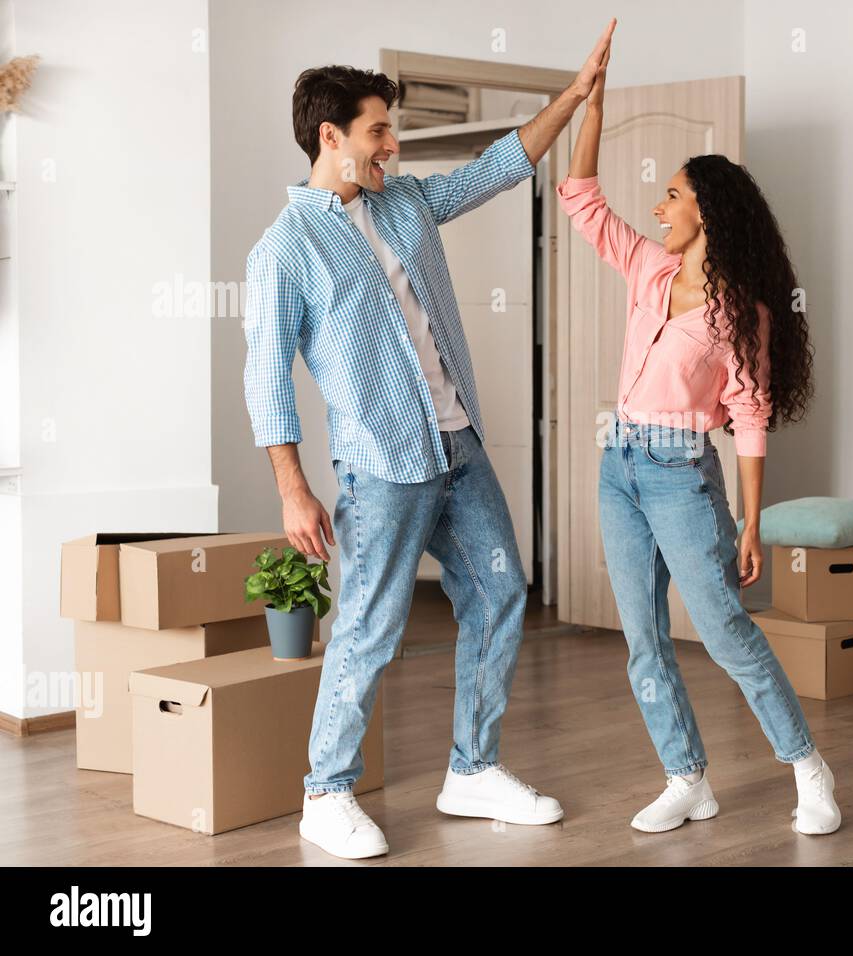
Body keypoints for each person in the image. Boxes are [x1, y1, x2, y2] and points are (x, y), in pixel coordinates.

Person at [242, 20, 617, 859]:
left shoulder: (404, 201)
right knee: (370, 628)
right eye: (378, 130)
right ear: (330, 137)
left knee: (499, 592)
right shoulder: (284, 250)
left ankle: (472, 768)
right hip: (382, 466)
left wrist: (576, 94)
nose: (392, 144)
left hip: (460, 447)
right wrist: (291, 488)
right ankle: (325, 793)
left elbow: (500, 165)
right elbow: (265, 379)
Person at [555, 39, 839, 835]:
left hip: (683, 472)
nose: (658, 207)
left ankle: (808, 770)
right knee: (642, 641)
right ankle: (687, 778)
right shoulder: (647, 268)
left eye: (671, 194)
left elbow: (750, 413)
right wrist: (592, 106)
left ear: (705, 210)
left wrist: (752, 520)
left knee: (723, 632)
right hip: (620, 464)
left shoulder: (737, 311)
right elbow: (580, 198)